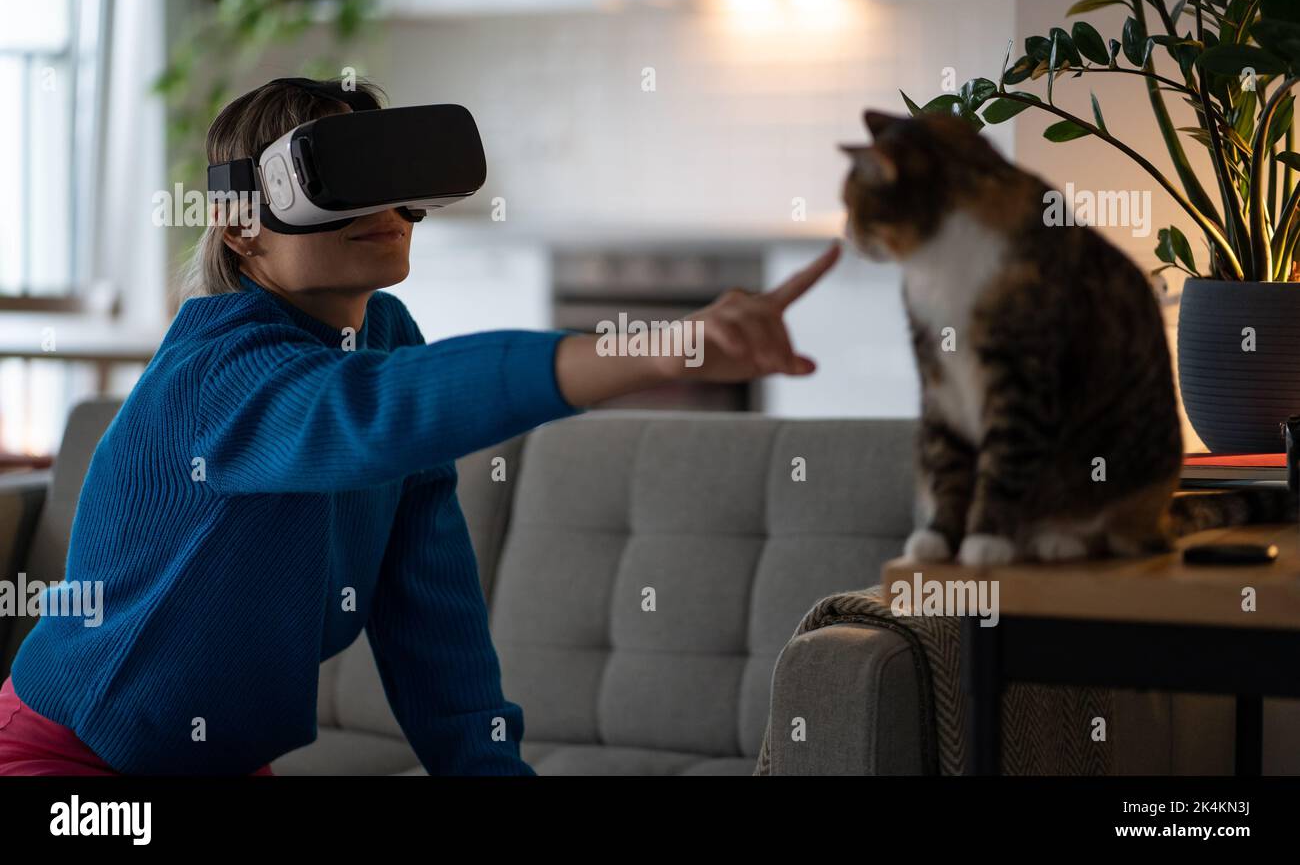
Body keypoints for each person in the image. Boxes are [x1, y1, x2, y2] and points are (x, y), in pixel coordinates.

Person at [0, 77, 840, 775]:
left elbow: (429, 612)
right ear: (239, 223)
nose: (384, 205)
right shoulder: (213, 374)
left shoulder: (388, 336)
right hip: (75, 762)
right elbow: (375, 413)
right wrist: (660, 349)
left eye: (388, 171)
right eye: (338, 177)